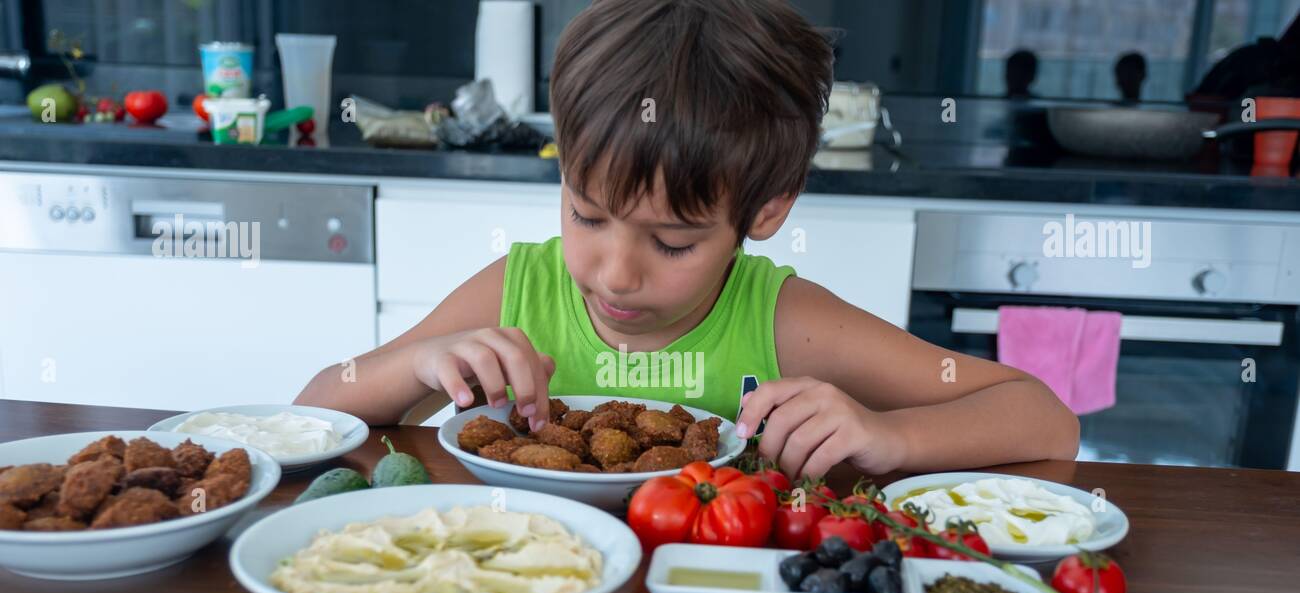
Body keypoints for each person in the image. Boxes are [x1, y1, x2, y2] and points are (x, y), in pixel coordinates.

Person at [296, 0, 1079, 478]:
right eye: (587, 215)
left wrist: (887, 434)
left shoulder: (784, 321)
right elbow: (312, 413)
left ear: (767, 211)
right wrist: (418, 363)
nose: (614, 273)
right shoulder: (519, 289)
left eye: (672, 244)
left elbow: (1044, 419)